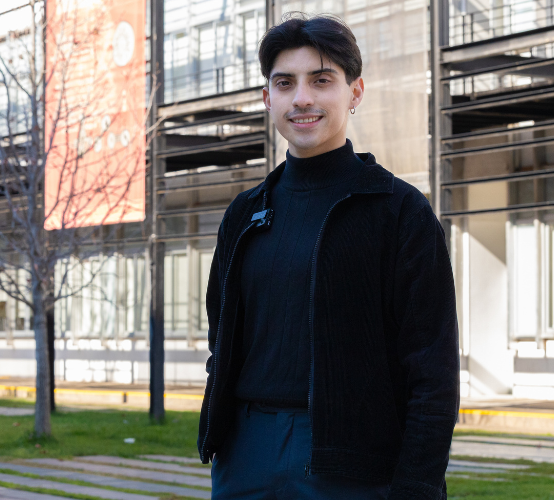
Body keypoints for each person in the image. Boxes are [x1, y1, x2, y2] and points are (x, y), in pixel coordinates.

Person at [197, 13, 460, 499]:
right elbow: (222, 338)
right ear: (267, 99)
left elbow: (432, 374)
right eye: (285, 83)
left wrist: (417, 486)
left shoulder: (399, 212)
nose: (302, 98)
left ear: (354, 92)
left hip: (352, 464)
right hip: (245, 458)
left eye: (322, 81)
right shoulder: (245, 213)